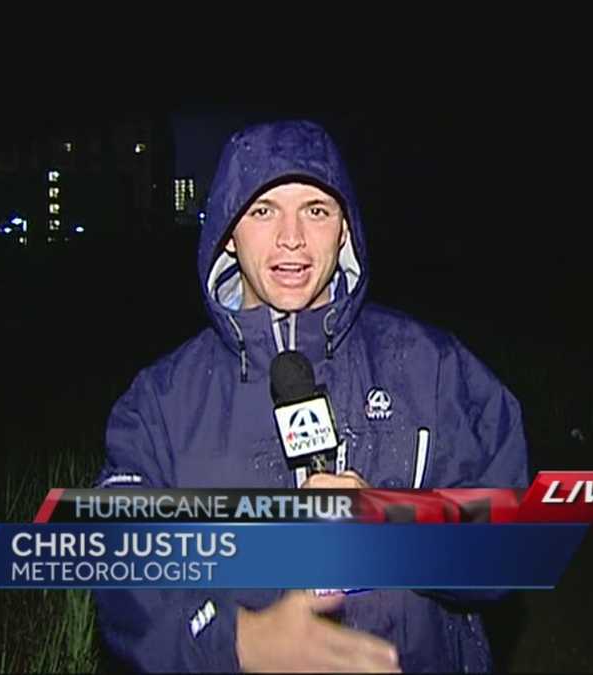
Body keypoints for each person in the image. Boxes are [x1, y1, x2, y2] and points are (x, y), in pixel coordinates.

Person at [94, 119, 529, 672]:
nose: (292, 237)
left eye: (316, 210)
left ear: (345, 229)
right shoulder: (160, 400)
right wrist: (235, 641)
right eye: (263, 210)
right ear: (228, 232)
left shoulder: (434, 367)